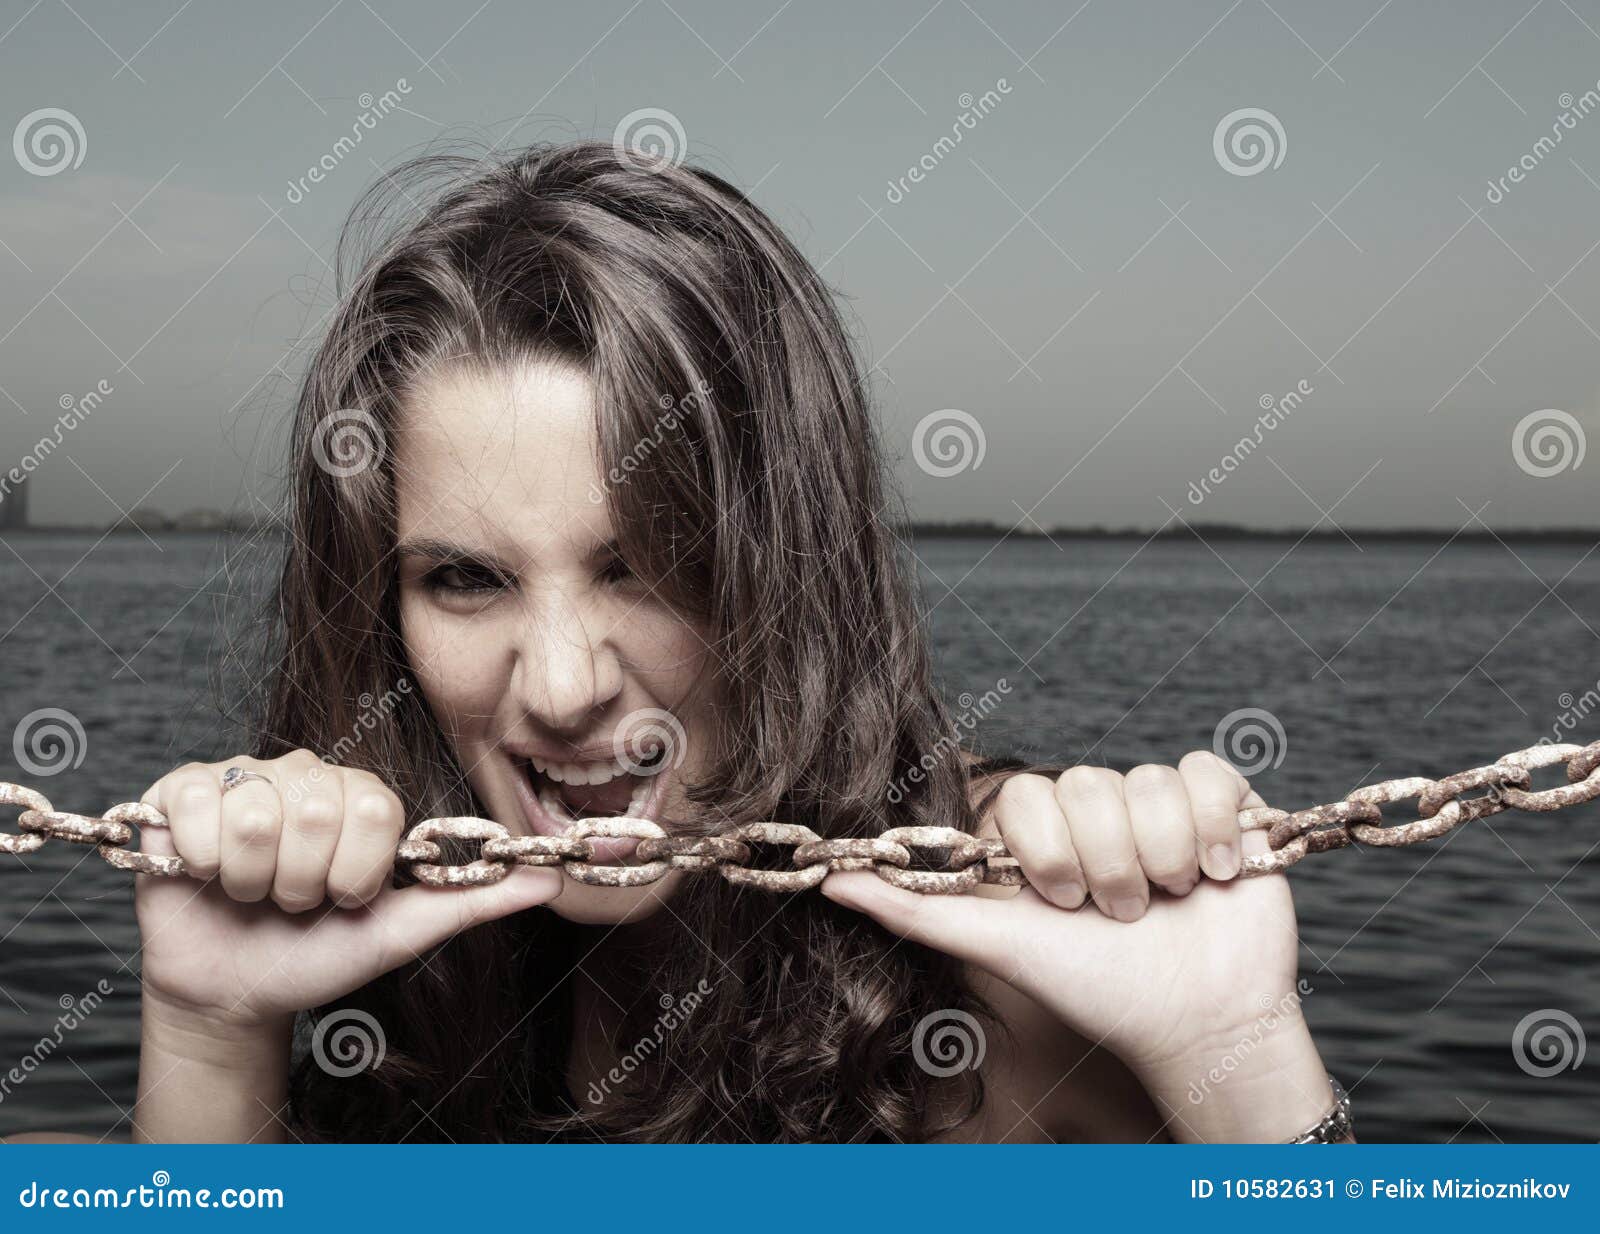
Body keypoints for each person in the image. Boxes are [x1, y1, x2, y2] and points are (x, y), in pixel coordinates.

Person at [60, 142, 1347, 1143]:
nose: (559, 688)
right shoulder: (373, 969)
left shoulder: (1018, 960)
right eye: (464, 579)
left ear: (790, 562)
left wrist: (1235, 1058)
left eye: (649, 569)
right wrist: (212, 1036)